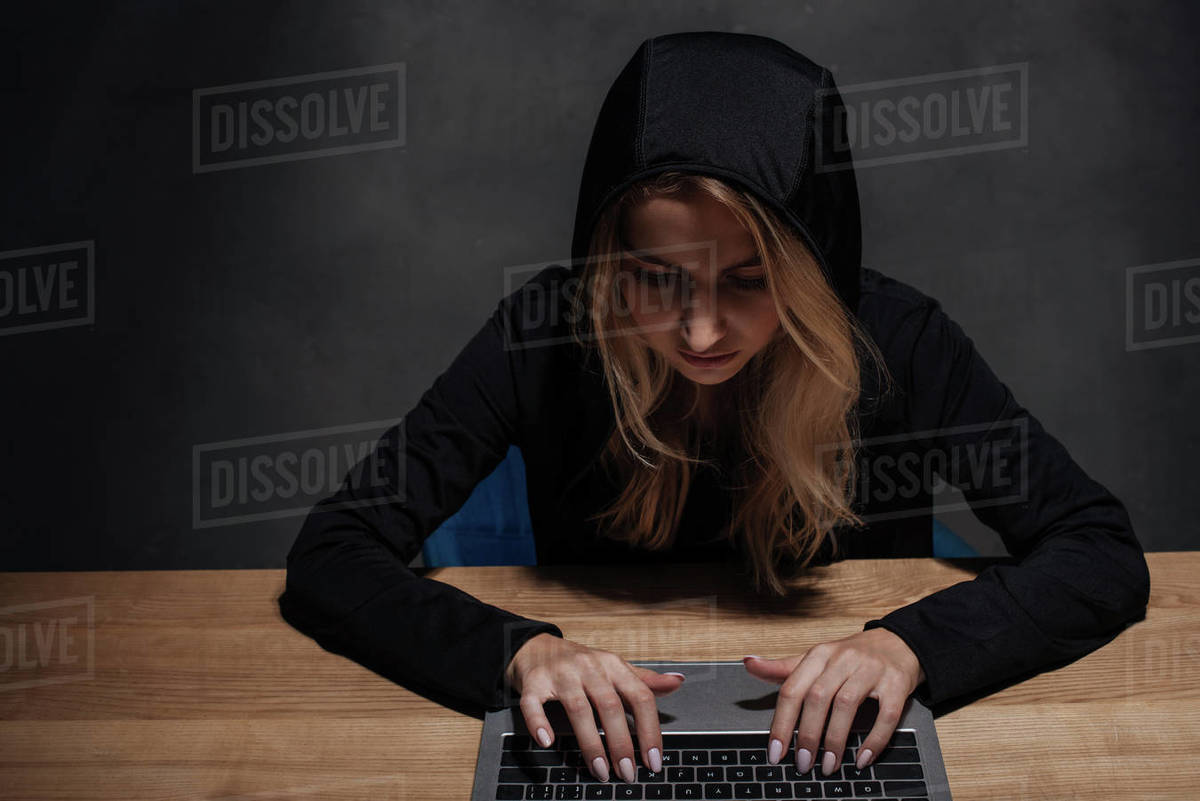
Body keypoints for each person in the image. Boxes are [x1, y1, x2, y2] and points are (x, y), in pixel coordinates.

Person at [279, 31, 1151, 786]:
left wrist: (909, 645)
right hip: (606, 745)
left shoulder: (901, 340)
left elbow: (1099, 548)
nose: (700, 330)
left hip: (836, 745)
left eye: (748, 281)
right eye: (660, 279)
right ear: (612, 260)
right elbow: (334, 550)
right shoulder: (541, 336)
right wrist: (519, 650)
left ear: (812, 273)